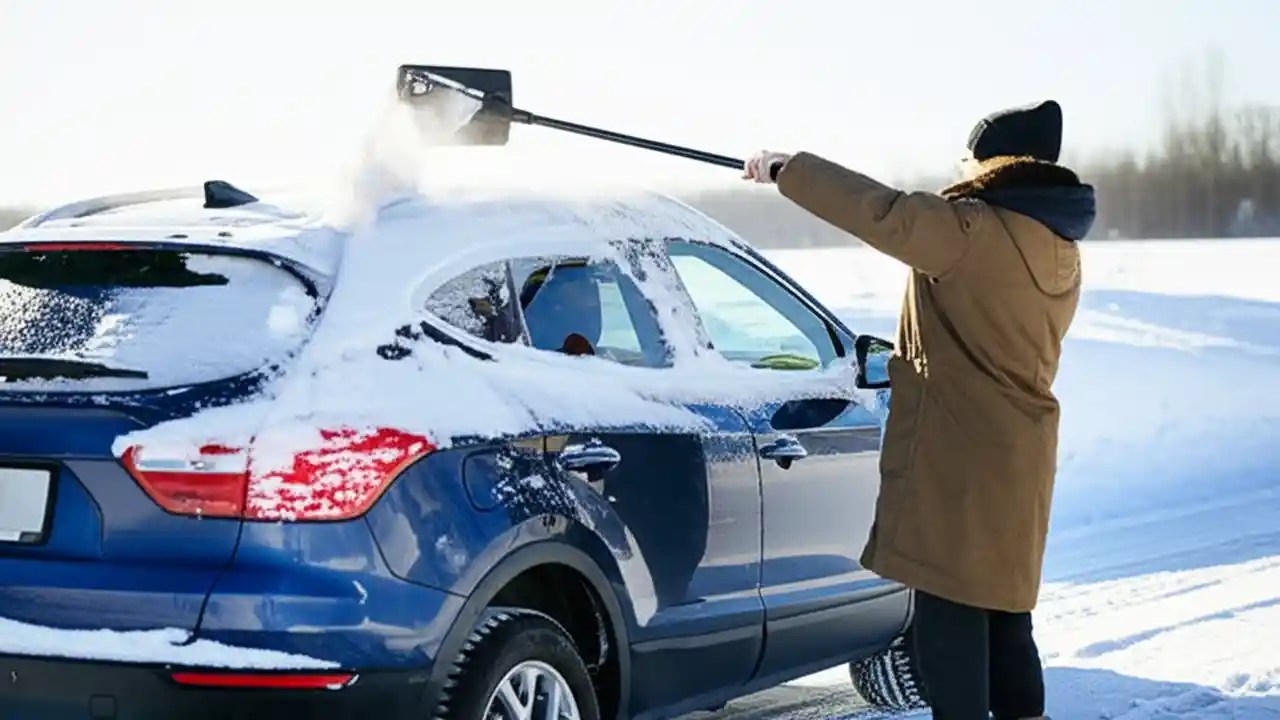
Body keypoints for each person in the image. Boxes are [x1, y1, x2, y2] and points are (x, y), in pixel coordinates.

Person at [743, 100, 1096, 720]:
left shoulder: (973, 231)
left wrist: (789, 169)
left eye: (968, 157)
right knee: (1005, 617)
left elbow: (883, 212)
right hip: (1021, 455)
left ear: (991, 163)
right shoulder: (1057, 244)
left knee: (948, 620)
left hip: (958, 457)